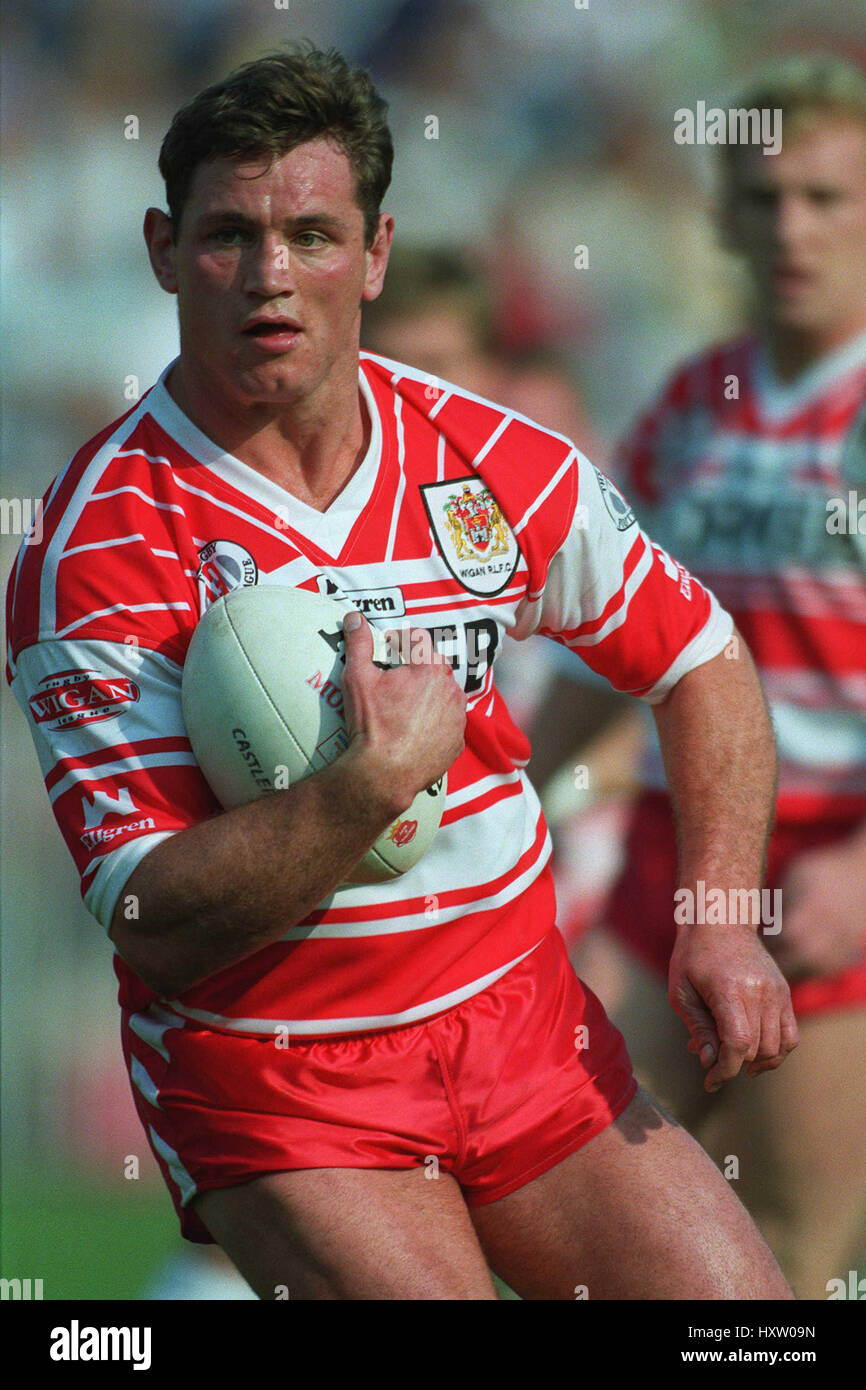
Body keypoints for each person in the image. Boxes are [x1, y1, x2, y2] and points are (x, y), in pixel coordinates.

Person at [6, 46, 796, 1301]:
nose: (272, 276)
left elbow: (699, 659)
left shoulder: (493, 457)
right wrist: (367, 781)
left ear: (374, 253)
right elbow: (156, 924)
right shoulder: (95, 544)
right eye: (229, 236)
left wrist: (718, 920)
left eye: (312, 235)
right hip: (279, 1075)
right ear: (162, 250)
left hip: (520, 1026)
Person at [573, 54, 866, 1300]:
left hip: (827, 872)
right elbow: (614, 639)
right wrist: (486, 786)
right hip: (675, 847)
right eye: (762, 196)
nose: (788, 226)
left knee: (787, 1260)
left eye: (824, 196)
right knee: (577, 1213)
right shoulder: (692, 404)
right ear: (721, 214)